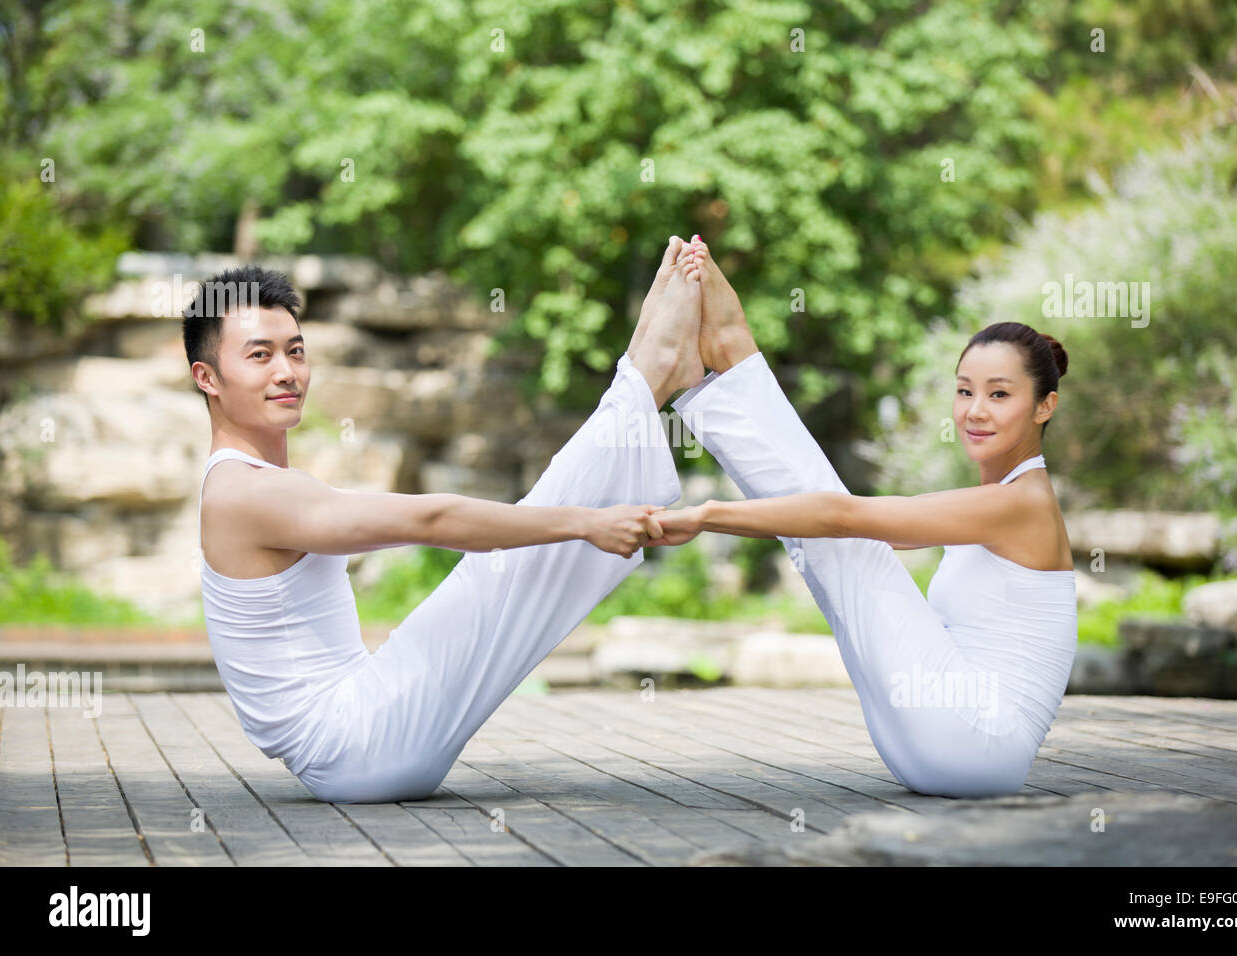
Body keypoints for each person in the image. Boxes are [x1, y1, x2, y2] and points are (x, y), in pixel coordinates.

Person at [186, 238, 704, 803]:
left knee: (513, 566)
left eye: (296, 351)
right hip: (355, 741)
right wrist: (585, 524)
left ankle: (644, 375)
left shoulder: (247, 483)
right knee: (501, 570)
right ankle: (647, 373)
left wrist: (579, 524)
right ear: (207, 378)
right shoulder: (246, 492)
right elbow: (433, 517)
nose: (287, 372)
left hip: (356, 742)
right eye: (259, 355)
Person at [650, 238, 1078, 798]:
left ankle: (731, 357)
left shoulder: (1023, 502)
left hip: (975, 741)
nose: (975, 410)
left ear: (1044, 405)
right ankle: (726, 365)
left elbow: (845, 517)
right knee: (830, 545)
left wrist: (708, 515)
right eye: (965, 391)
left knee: (842, 537)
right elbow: (846, 525)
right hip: (940, 747)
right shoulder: (1001, 499)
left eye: (1000, 395)